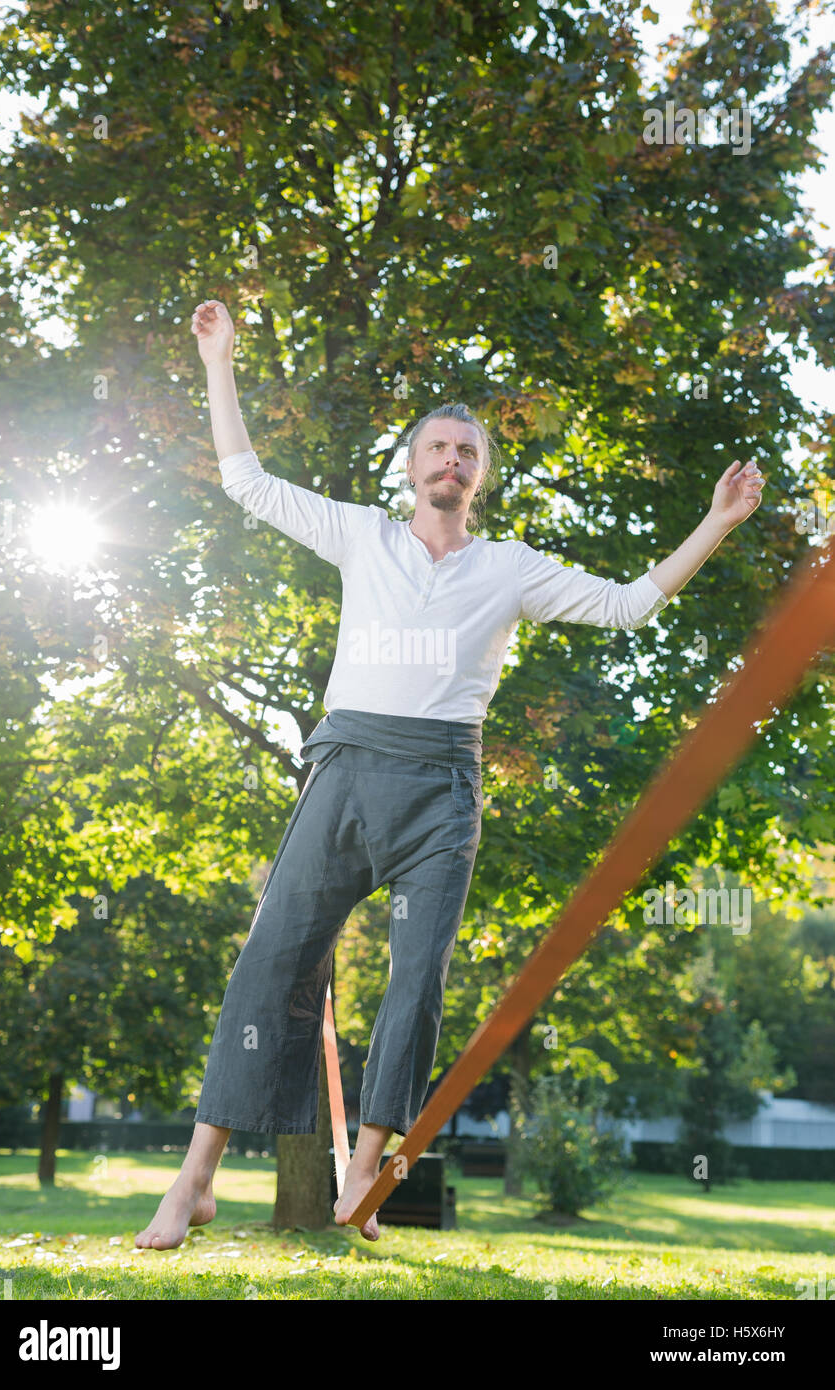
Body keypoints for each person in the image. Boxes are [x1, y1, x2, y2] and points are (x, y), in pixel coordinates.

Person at [135, 299, 764, 1249]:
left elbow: (632, 605)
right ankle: (196, 1178)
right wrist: (221, 360)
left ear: (480, 477)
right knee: (273, 958)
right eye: (436, 448)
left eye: (466, 453)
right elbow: (245, 481)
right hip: (344, 765)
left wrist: (715, 522)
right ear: (412, 466)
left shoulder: (508, 568)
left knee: (416, 974)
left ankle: (365, 1168)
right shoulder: (362, 536)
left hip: (441, 787)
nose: (450, 462)